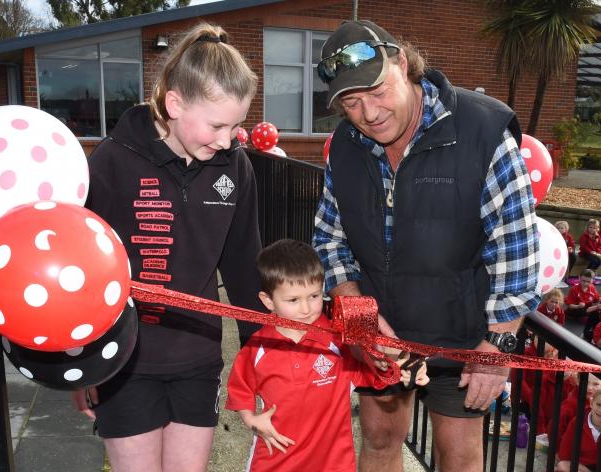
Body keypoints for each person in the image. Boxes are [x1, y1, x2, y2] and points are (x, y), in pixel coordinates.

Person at [312, 20, 540, 471]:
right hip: (381, 333)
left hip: (463, 339)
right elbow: (329, 239)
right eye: (352, 103)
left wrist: (497, 348)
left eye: (377, 92)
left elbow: (517, 252)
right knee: (378, 441)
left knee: (459, 458)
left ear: (403, 63)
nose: (369, 114)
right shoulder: (344, 144)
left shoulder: (484, 129)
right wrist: (358, 318)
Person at [72, 24, 265, 472]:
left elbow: (243, 267)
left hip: (198, 358)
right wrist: (80, 364)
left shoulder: (235, 166)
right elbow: (81, 271)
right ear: (174, 104)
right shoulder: (111, 161)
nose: (227, 139)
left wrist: (259, 359)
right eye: (218, 125)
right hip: (124, 363)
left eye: (237, 125)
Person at [225, 239, 428, 471]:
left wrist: (402, 368)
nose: (306, 309)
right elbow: (240, 388)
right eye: (293, 300)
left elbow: (374, 373)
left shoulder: (338, 342)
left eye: (314, 296)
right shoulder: (257, 348)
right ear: (268, 300)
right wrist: (251, 419)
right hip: (276, 459)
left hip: (333, 463)